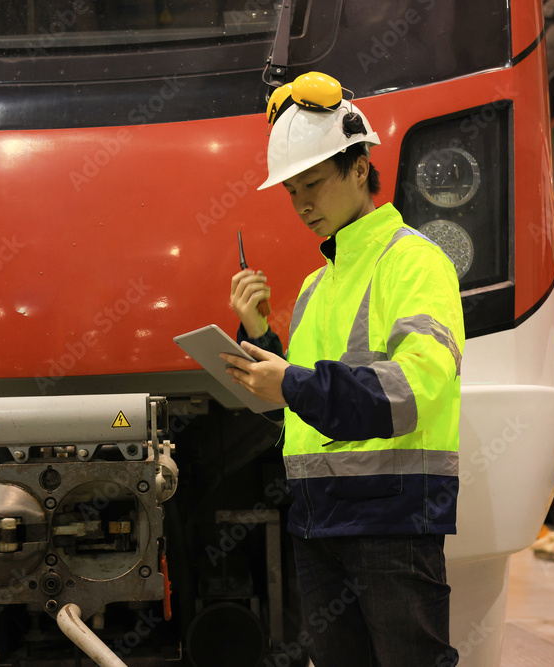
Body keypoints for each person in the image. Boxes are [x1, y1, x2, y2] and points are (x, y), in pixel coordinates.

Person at [221, 72, 464, 667]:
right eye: (291, 192)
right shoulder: (314, 286)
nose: (302, 204)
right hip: (318, 519)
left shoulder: (414, 262)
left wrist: (293, 382)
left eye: (312, 183)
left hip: (393, 517)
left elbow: (416, 389)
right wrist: (260, 337)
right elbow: (302, 404)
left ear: (360, 169)